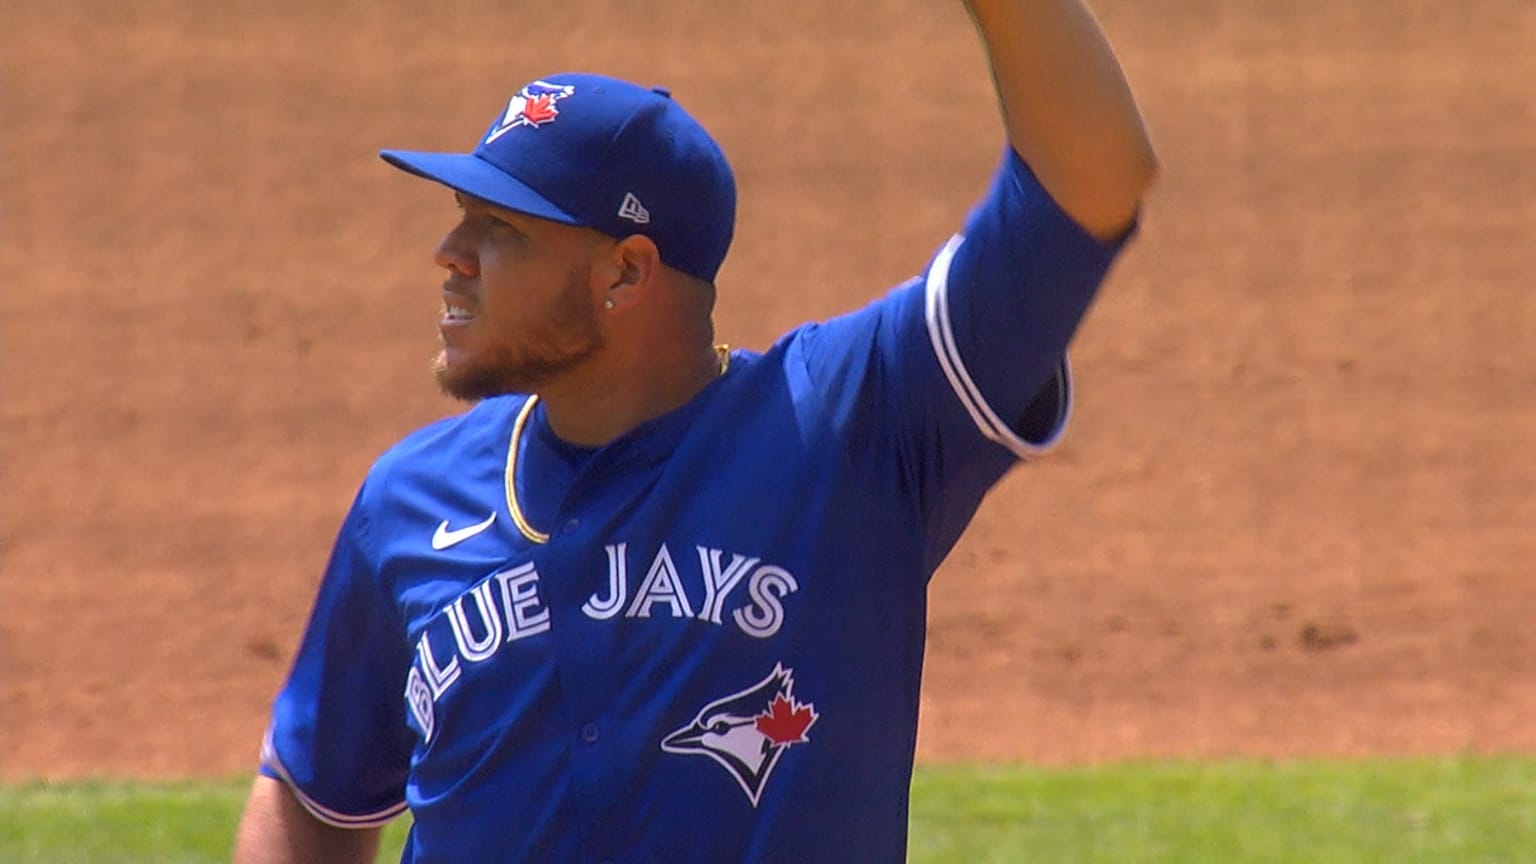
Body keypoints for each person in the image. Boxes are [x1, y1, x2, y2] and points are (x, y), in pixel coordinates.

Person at [232, 0, 1156, 860]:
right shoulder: (407, 498)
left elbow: (1090, 183)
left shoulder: (849, 427)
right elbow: (313, 793)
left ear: (627, 274)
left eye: (499, 229)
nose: (450, 255)